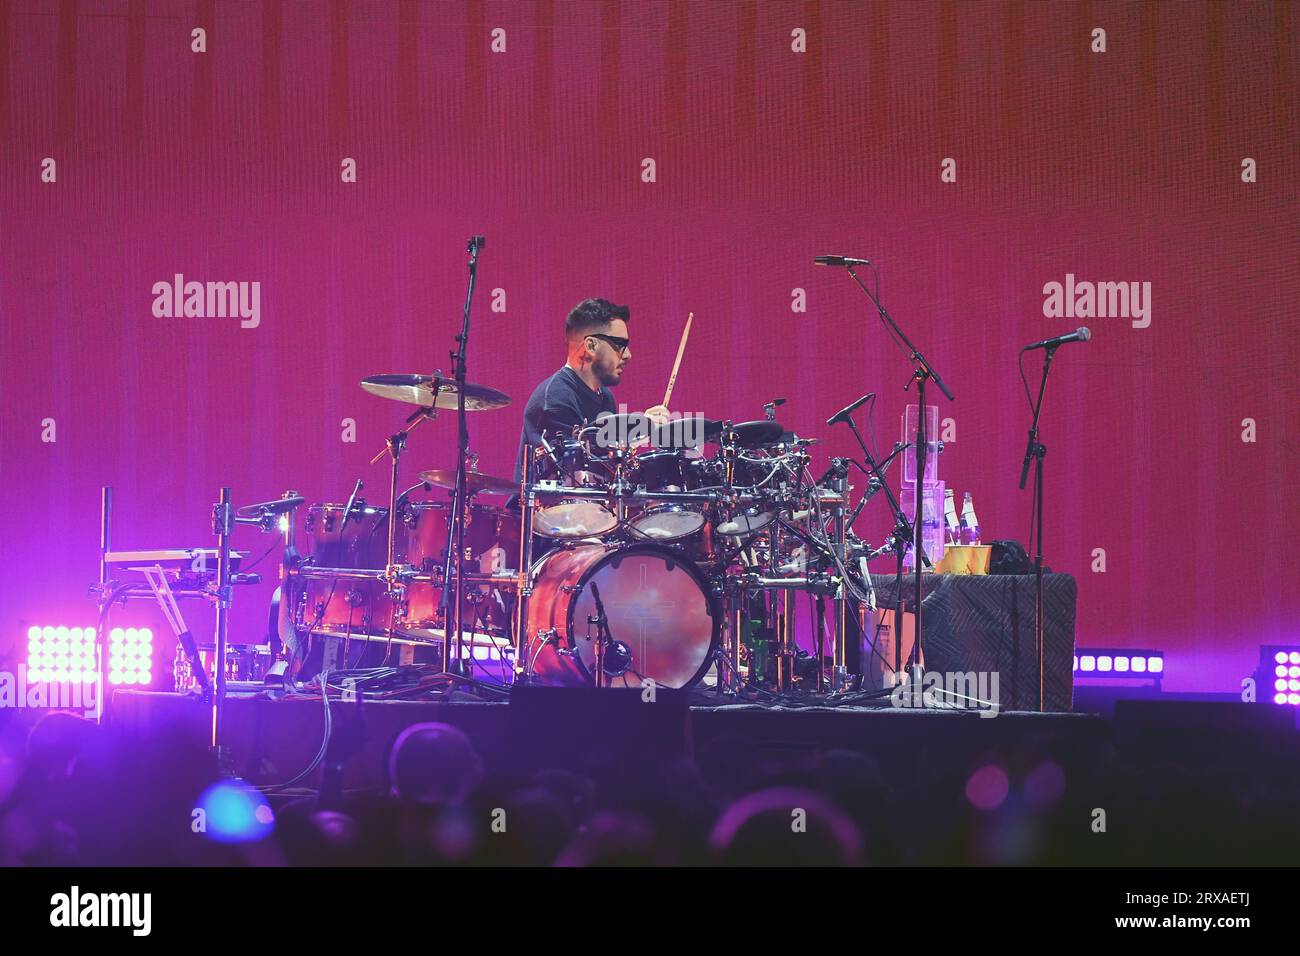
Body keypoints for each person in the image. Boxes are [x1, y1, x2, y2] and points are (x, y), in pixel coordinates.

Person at [514, 298, 669, 484]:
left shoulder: (605, 397)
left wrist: (643, 430)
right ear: (591, 346)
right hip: (545, 511)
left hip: (591, 508)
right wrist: (639, 432)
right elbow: (581, 465)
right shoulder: (556, 397)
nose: (628, 355)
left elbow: (610, 467)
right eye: (620, 345)